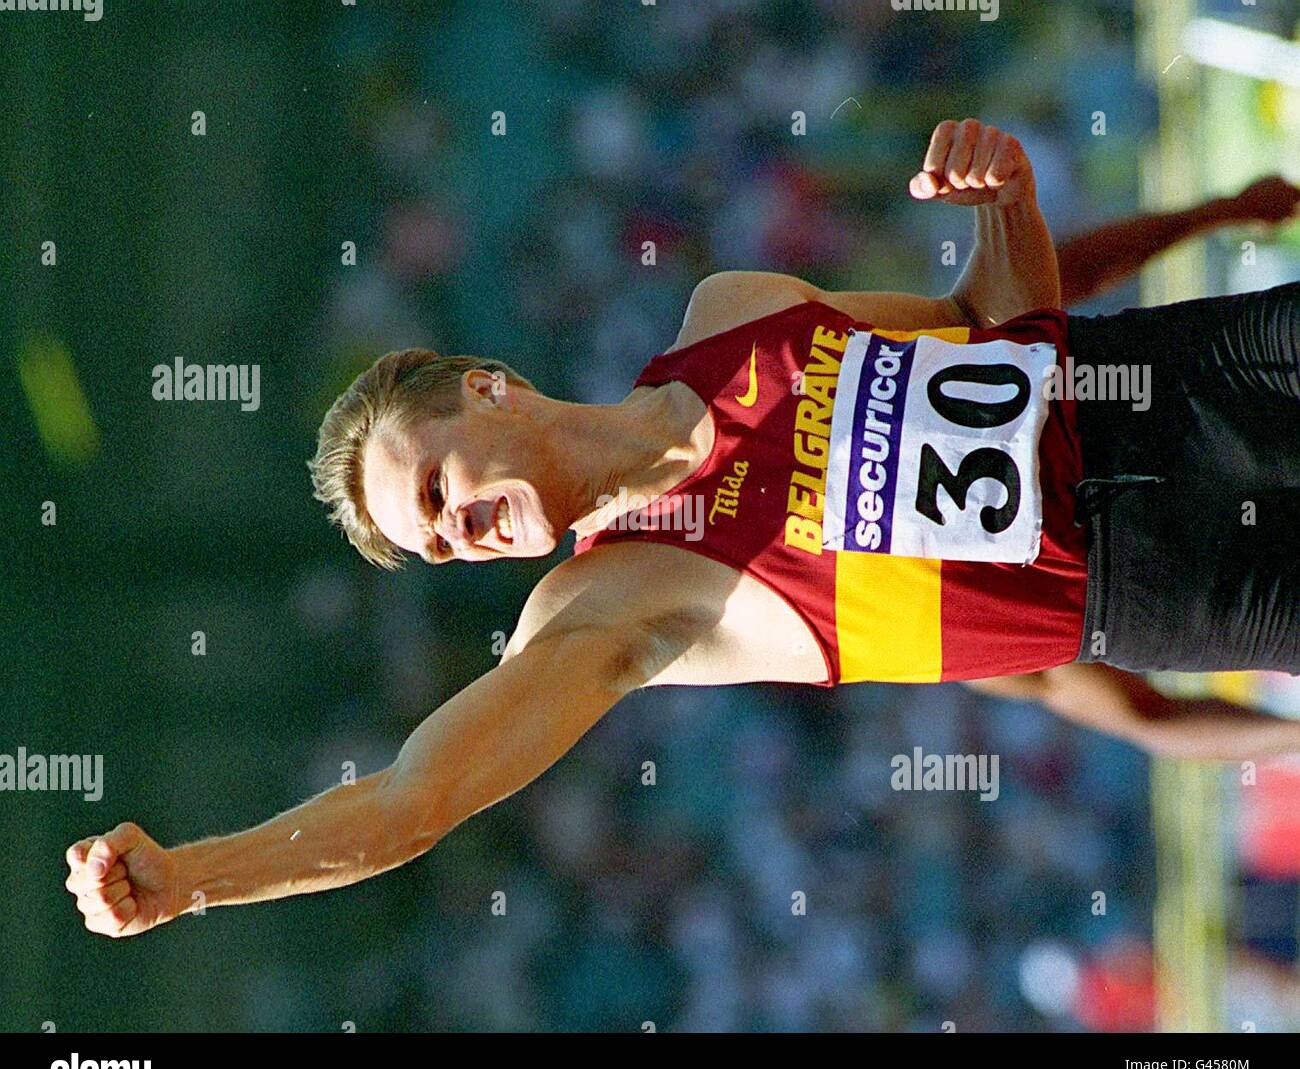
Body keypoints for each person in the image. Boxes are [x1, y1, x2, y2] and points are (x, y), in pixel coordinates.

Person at [66, 119, 1300, 938]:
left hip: (1181, 373)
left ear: (491, 386)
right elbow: (407, 802)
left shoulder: (737, 309)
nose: (458, 536)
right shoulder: (607, 610)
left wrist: (1006, 196)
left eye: (437, 492)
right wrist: (194, 879)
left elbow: (998, 323)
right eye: (435, 547)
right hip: (1159, 577)